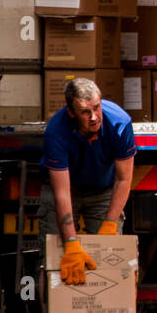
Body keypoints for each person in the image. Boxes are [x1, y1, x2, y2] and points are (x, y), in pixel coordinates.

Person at [40, 77, 137, 285]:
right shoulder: (56, 131)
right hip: (68, 189)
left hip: (104, 190)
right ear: (71, 113)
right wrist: (71, 243)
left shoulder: (119, 123)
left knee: (110, 257)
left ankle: (108, 305)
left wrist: (110, 224)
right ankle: (54, 302)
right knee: (56, 252)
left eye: (96, 107)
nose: (94, 117)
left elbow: (123, 179)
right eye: (85, 112)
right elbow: (62, 193)